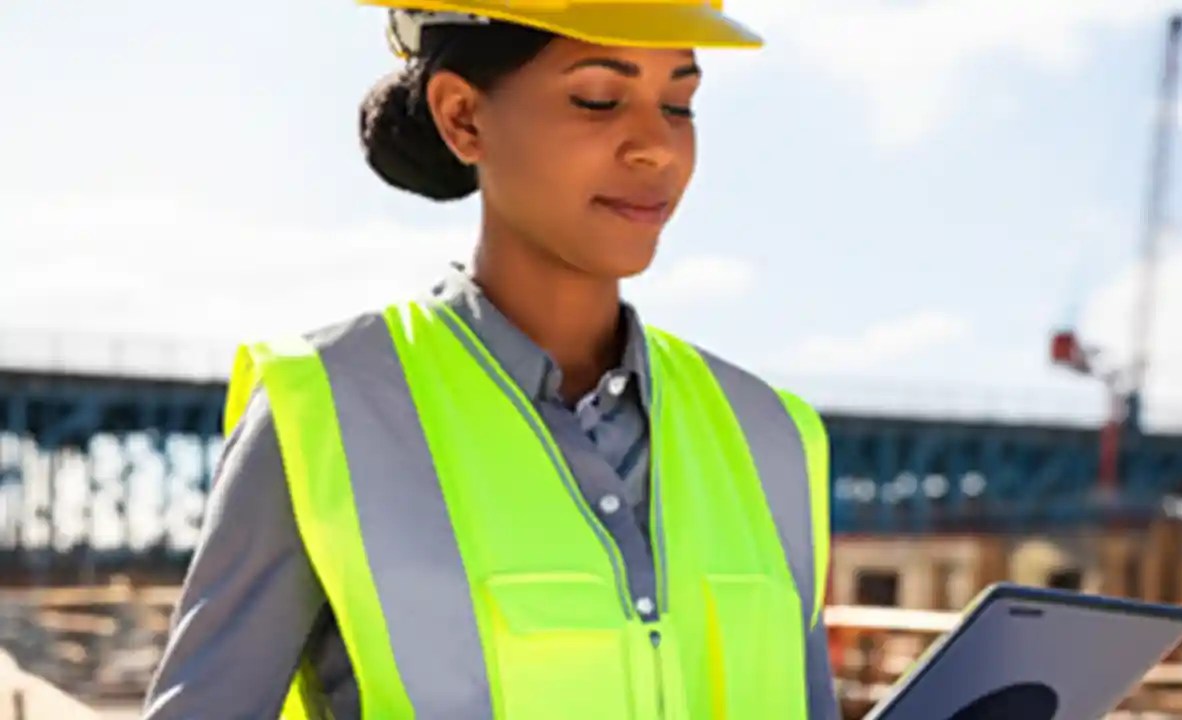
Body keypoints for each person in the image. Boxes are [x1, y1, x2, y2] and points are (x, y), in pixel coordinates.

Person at [142, 2, 838, 718]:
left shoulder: (775, 441)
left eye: (679, 104)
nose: (656, 147)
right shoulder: (326, 415)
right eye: (598, 99)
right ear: (462, 118)